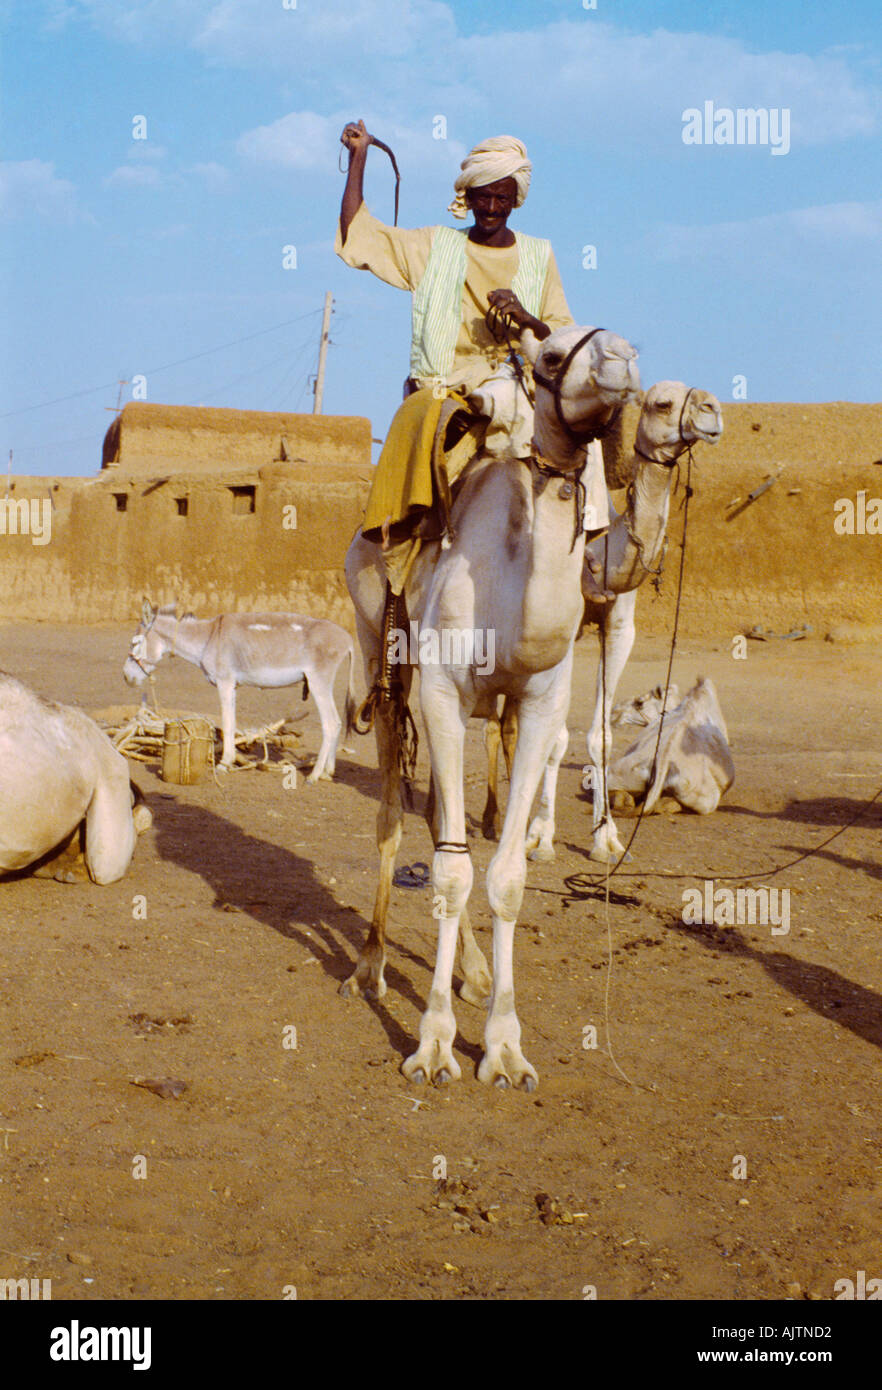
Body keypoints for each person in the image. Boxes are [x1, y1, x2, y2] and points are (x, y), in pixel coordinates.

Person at [336, 122, 609, 592]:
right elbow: (359, 234)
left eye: (502, 198)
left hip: (519, 385)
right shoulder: (435, 247)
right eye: (483, 196)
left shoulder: (539, 256)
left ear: (515, 199)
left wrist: (526, 318)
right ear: (469, 194)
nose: (491, 207)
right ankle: (406, 553)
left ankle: (593, 554)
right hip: (447, 386)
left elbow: (559, 337)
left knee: (587, 439)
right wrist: (359, 158)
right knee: (425, 421)